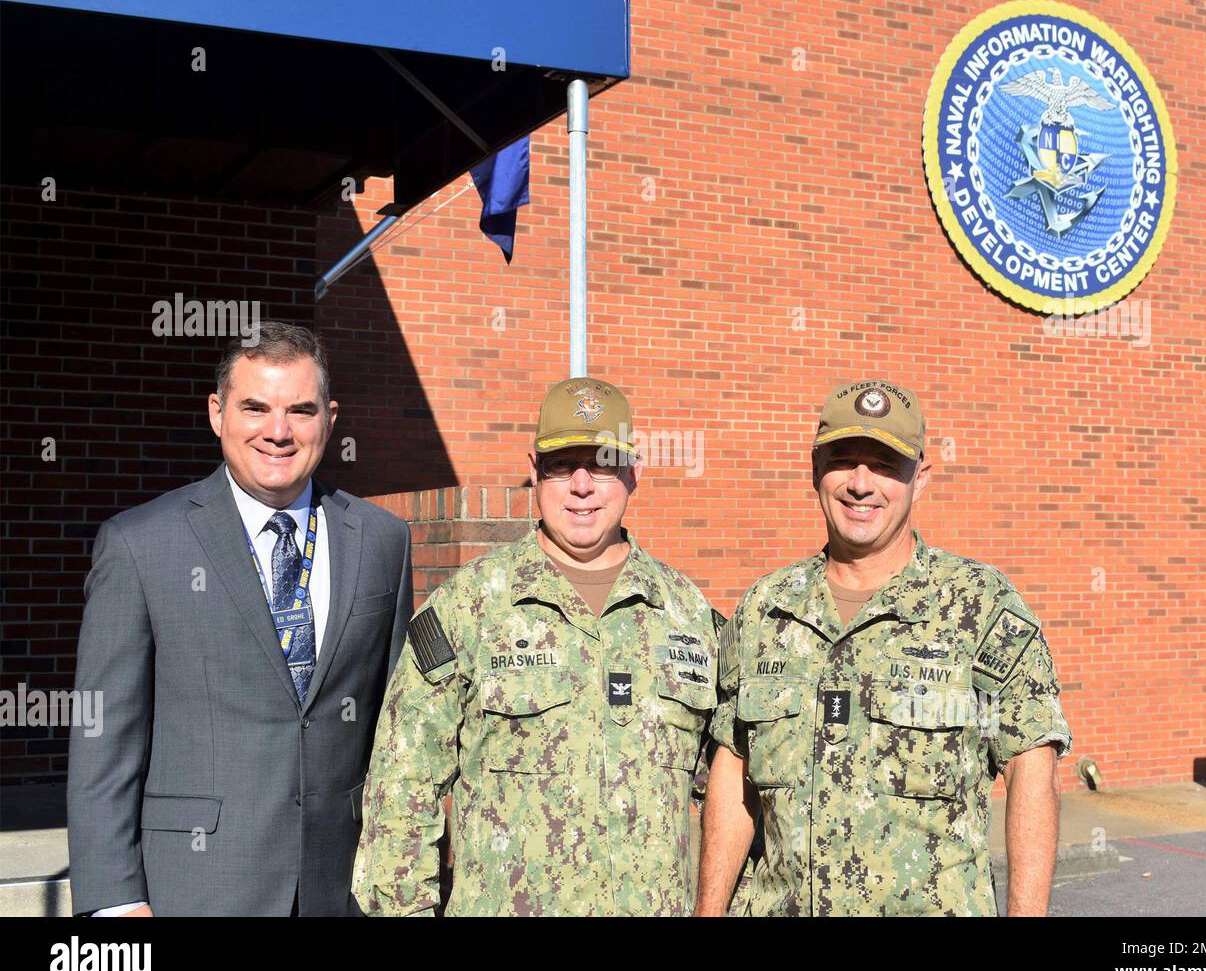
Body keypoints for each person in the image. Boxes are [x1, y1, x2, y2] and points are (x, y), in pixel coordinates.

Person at [67, 322, 413, 916]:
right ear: (217, 412)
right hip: (194, 890)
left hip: (345, 890)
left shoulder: (383, 540)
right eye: (255, 408)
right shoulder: (141, 545)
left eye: (300, 411)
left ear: (329, 419)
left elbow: (398, 731)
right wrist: (116, 904)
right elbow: (103, 740)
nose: (277, 432)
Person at [696, 379, 1071, 916]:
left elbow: (1031, 767)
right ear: (814, 470)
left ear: (920, 479)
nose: (860, 484)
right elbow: (734, 773)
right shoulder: (764, 609)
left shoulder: (980, 607)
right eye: (843, 460)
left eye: (885, 465)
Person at [353, 377, 720, 915]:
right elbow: (401, 788)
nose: (581, 484)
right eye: (561, 463)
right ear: (534, 470)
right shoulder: (468, 609)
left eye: (602, 462)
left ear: (633, 474)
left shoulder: (690, 618)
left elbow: (739, 790)